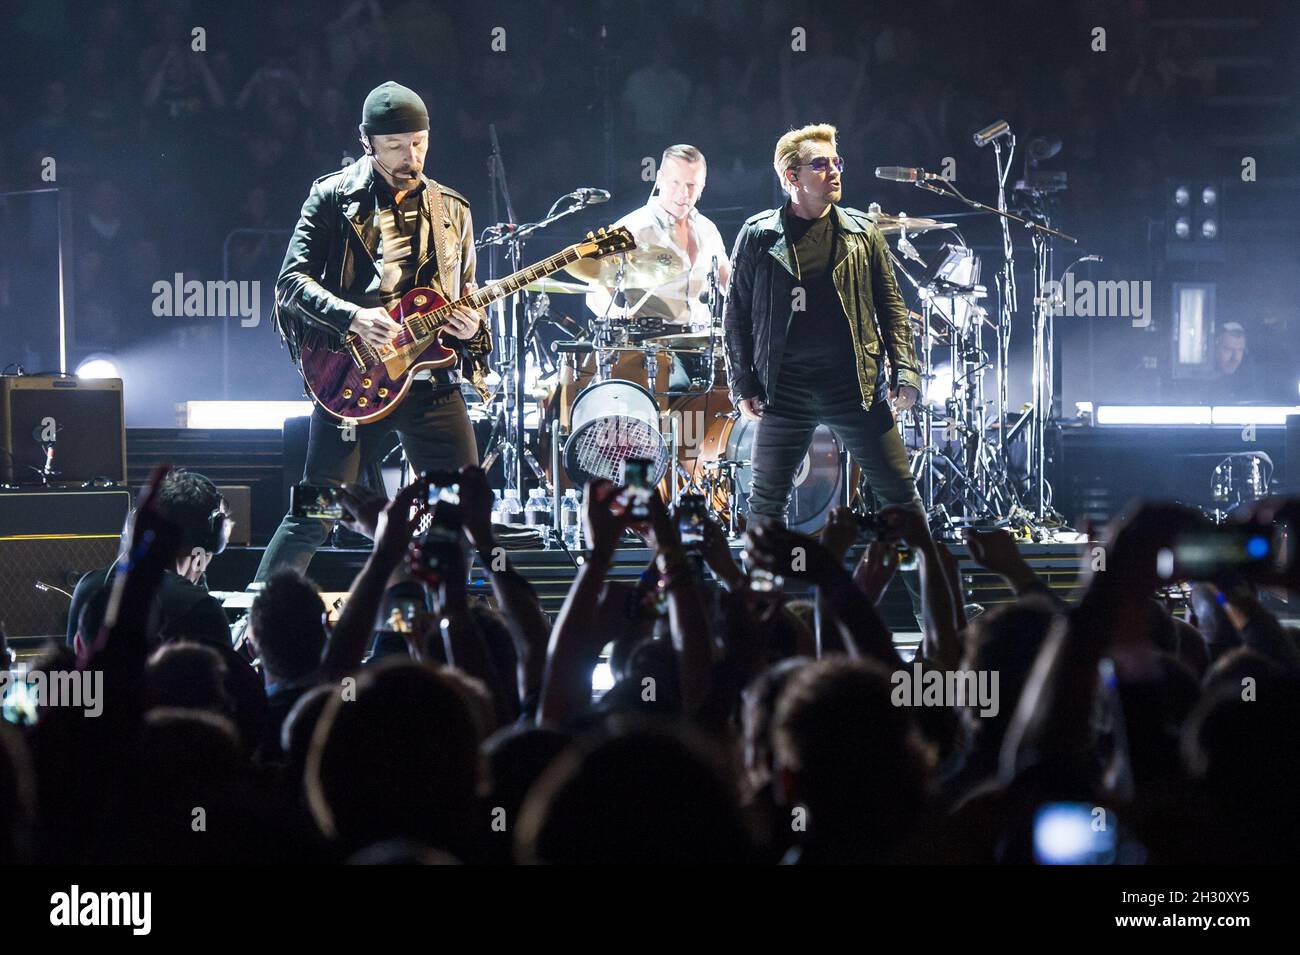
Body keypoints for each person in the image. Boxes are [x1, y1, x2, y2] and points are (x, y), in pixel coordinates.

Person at [259, 81, 492, 581]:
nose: (412, 157)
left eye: (420, 143)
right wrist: (352, 317)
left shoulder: (454, 209)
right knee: (316, 512)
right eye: (396, 147)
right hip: (353, 377)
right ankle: (258, 621)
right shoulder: (331, 196)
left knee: (464, 513)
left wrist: (473, 324)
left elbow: (467, 291)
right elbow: (290, 283)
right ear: (367, 142)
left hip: (430, 380)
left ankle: (439, 627)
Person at [723, 122, 925, 527]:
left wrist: (906, 371)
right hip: (785, 388)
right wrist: (742, 383)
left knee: (901, 500)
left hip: (854, 386)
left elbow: (892, 307)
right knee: (764, 508)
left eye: (836, 161)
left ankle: (932, 590)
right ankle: (764, 591)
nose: (833, 171)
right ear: (791, 177)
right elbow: (736, 314)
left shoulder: (862, 232)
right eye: (820, 164)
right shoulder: (759, 234)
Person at [583, 144, 729, 392]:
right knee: (679, 397)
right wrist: (619, 317)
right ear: (659, 179)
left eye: (692, 185)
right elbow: (595, 287)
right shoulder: (630, 228)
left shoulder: (707, 229)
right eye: (675, 183)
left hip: (703, 343)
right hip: (654, 348)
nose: (683, 194)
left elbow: (729, 282)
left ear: (703, 186)